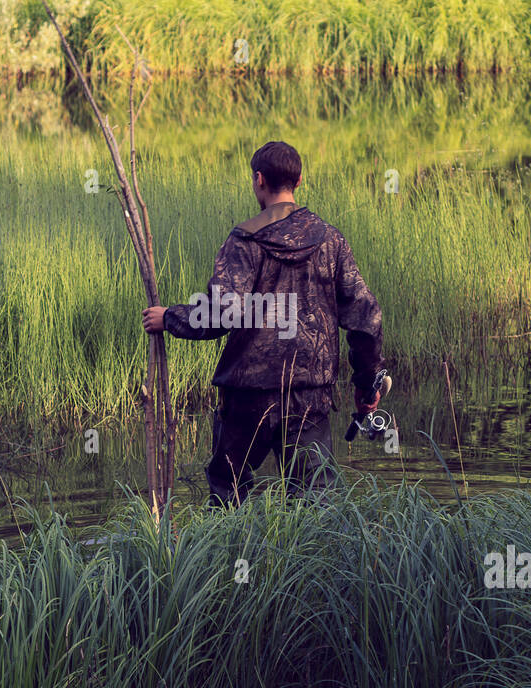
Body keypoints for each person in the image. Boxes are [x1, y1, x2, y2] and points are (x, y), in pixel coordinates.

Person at [142, 140, 385, 506]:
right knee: (317, 503)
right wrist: (367, 385)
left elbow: (222, 313)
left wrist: (169, 318)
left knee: (228, 494)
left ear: (258, 180)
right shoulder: (331, 240)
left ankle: (223, 562)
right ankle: (315, 565)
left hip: (247, 396)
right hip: (308, 395)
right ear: (299, 180)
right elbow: (366, 317)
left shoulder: (244, 240)